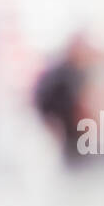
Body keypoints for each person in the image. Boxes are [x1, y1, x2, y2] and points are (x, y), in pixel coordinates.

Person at [33, 36, 93, 166]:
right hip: (66, 125)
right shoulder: (61, 74)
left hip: (77, 128)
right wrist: (51, 120)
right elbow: (44, 98)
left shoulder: (79, 71)